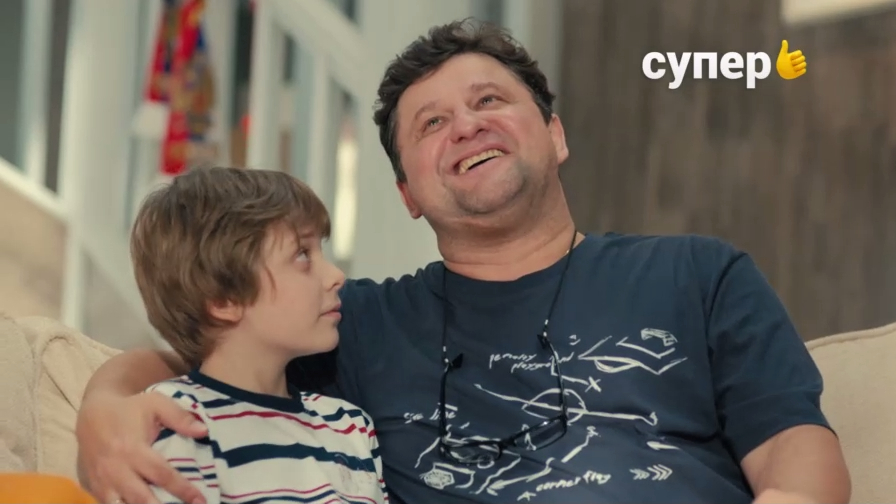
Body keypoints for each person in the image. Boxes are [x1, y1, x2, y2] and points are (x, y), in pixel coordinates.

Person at [75, 19, 850, 504]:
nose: (467, 127)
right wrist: (102, 409)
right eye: (432, 123)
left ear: (555, 134)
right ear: (408, 192)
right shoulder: (354, 324)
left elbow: (794, 446)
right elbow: (206, 348)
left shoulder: (699, 276)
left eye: (489, 101)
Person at [125, 167, 387, 504]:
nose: (337, 275)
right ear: (224, 299)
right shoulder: (177, 426)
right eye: (302, 255)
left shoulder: (349, 426)